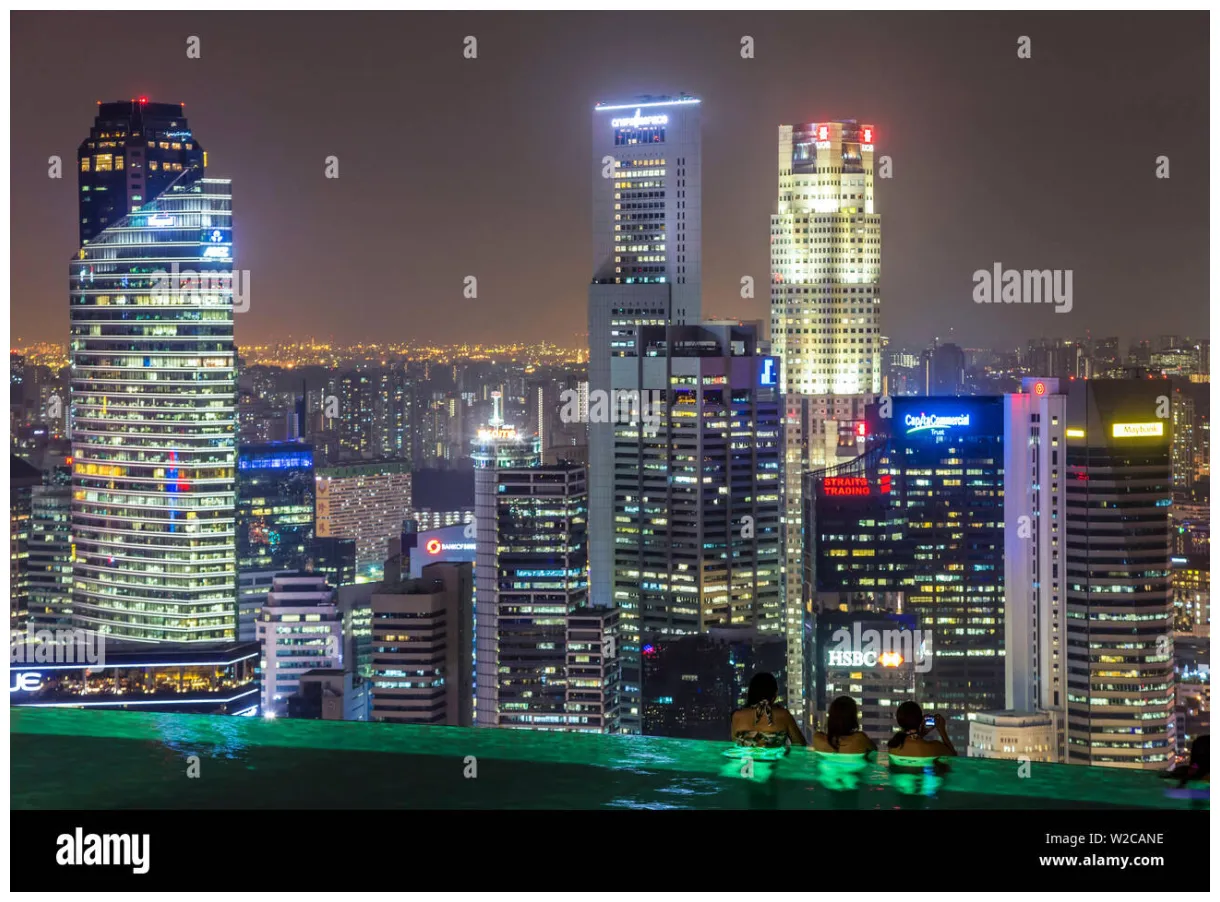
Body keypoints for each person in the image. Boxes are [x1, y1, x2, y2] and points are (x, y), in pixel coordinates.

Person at [731, 672, 807, 749]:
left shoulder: (737, 716)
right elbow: (800, 745)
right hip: (776, 757)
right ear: (774, 694)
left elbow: (734, 746)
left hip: (745, 757)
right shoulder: (783, 715)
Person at [886, 701, 957, 761]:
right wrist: (942, 730)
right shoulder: (931, 748)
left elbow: (910, 742)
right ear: (920, 720)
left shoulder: (893, 746)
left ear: (899, 721)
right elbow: (953, 757)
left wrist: (922, 733)